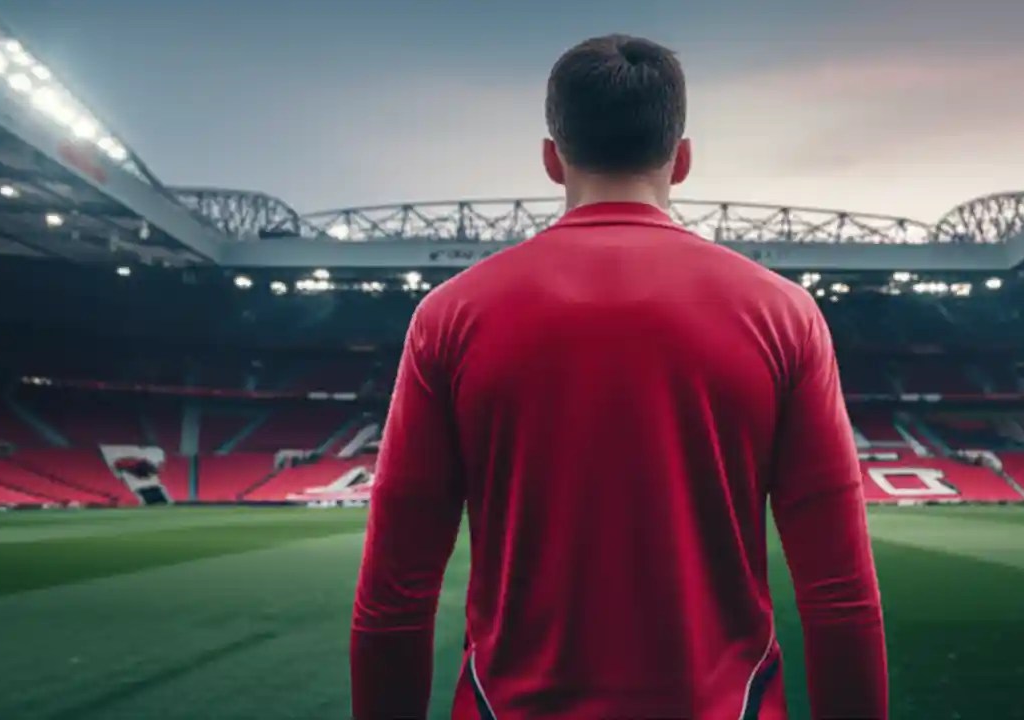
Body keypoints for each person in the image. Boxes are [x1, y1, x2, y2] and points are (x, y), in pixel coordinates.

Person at [351, 34, 887, 720]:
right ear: (682, 158)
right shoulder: (784, 315)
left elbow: (395, 597)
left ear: (552, 158)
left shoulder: (449, 317)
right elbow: (839, 596)